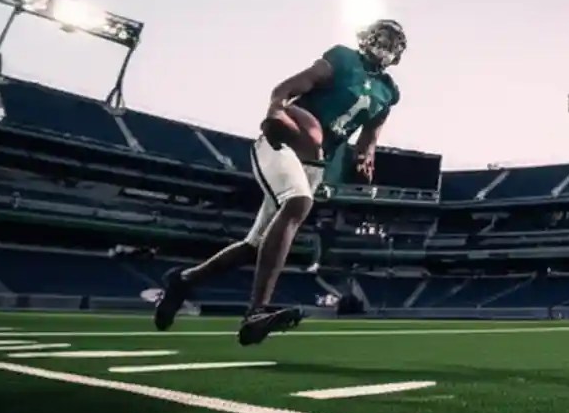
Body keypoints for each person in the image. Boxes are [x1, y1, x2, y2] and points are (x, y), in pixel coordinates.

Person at [153, 19, 406, 346]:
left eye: (393, 41)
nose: (385, 44)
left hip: (316, 162)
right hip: (285, 142)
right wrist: (276, 112)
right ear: (367, 37)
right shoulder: (343, 59)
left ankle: (184, 281)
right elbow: (285, 89)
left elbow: (370, 135)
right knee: (298, 202)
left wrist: (365, 156)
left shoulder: (388, 92)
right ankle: (256, 312)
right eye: (382, 36)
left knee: (253, 247)